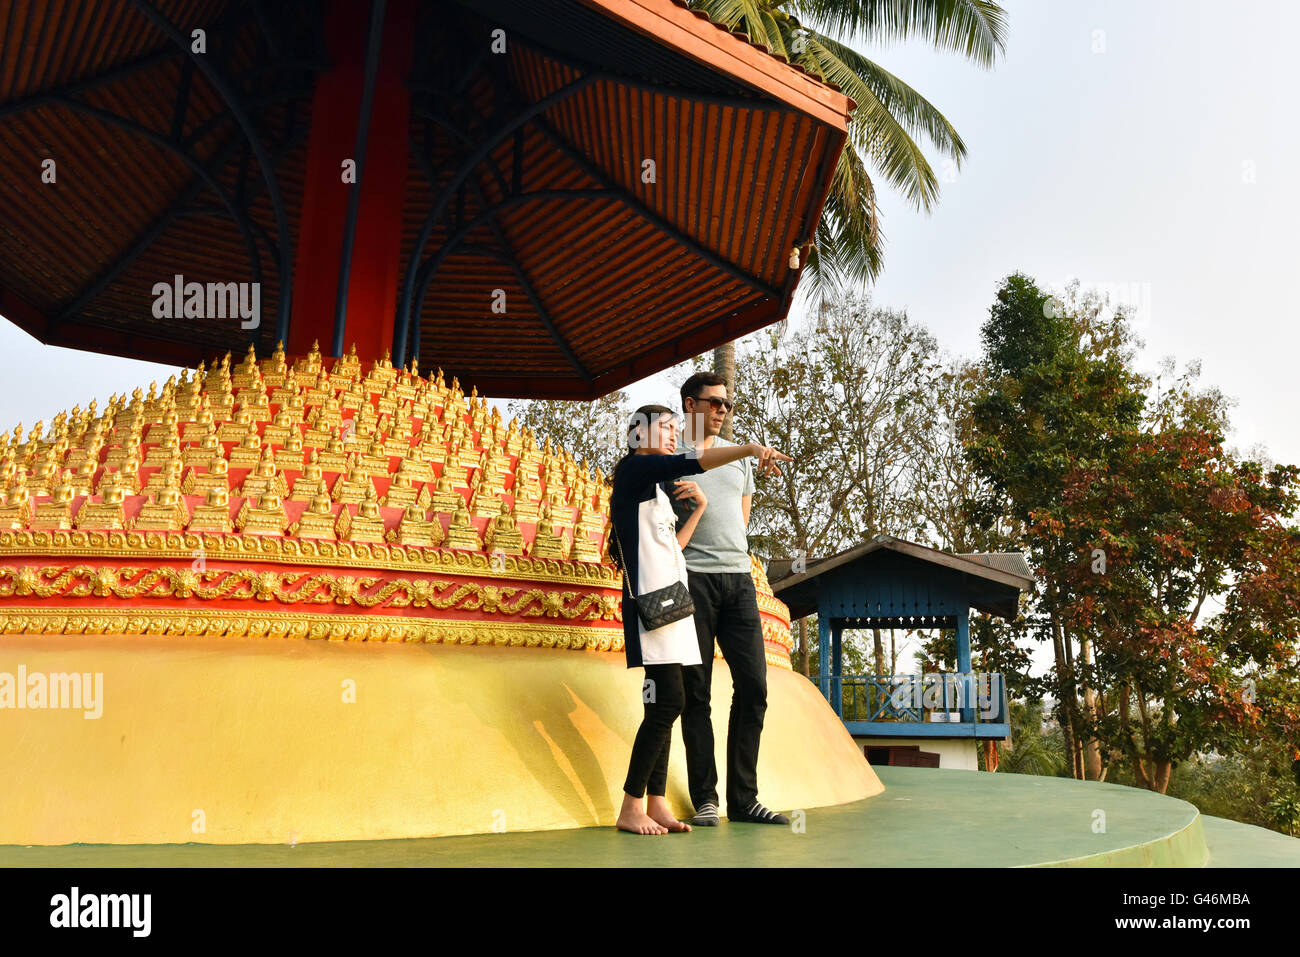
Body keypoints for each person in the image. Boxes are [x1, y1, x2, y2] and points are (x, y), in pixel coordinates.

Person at [609, 404, 791, 835]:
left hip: (673, 603)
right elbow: (693, 459)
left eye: (677, 428)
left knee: (669, 703)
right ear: (640, 435)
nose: (675, 435)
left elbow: (674, 548)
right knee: (666, 702)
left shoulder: (654, 490)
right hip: (650, 609)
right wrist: (750, 448)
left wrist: (699, 509)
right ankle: (630, 806)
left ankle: (655, 802)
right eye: (667, 429)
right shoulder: (635, 471)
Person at [672, 372, 791, 826]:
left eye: (727, 404)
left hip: (738, 581)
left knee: (755, 688)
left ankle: (744, 799)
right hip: (692, 582)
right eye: (714, 403)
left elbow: (738, 524)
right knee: (694, 692)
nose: (722, 410)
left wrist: (748, 454)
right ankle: (706, 796)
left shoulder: (741, 462)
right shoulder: (671, 454)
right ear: (690, 405)